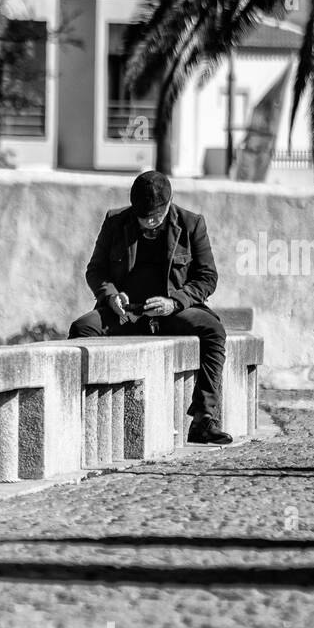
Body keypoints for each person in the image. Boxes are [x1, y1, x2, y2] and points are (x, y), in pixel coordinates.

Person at [67, 170, 233, 445]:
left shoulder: (192, 224)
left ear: (169, 204)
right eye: (144, 217)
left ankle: (204, 419)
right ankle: (79, 418)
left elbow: (207, 278)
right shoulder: (115, 222)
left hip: (173, 312)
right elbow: (95, 270)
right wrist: (110, 296)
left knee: (213, 330)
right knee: (83, 327)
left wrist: (174, 302)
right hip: (126, 312)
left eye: (156, 216)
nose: (150, 222)